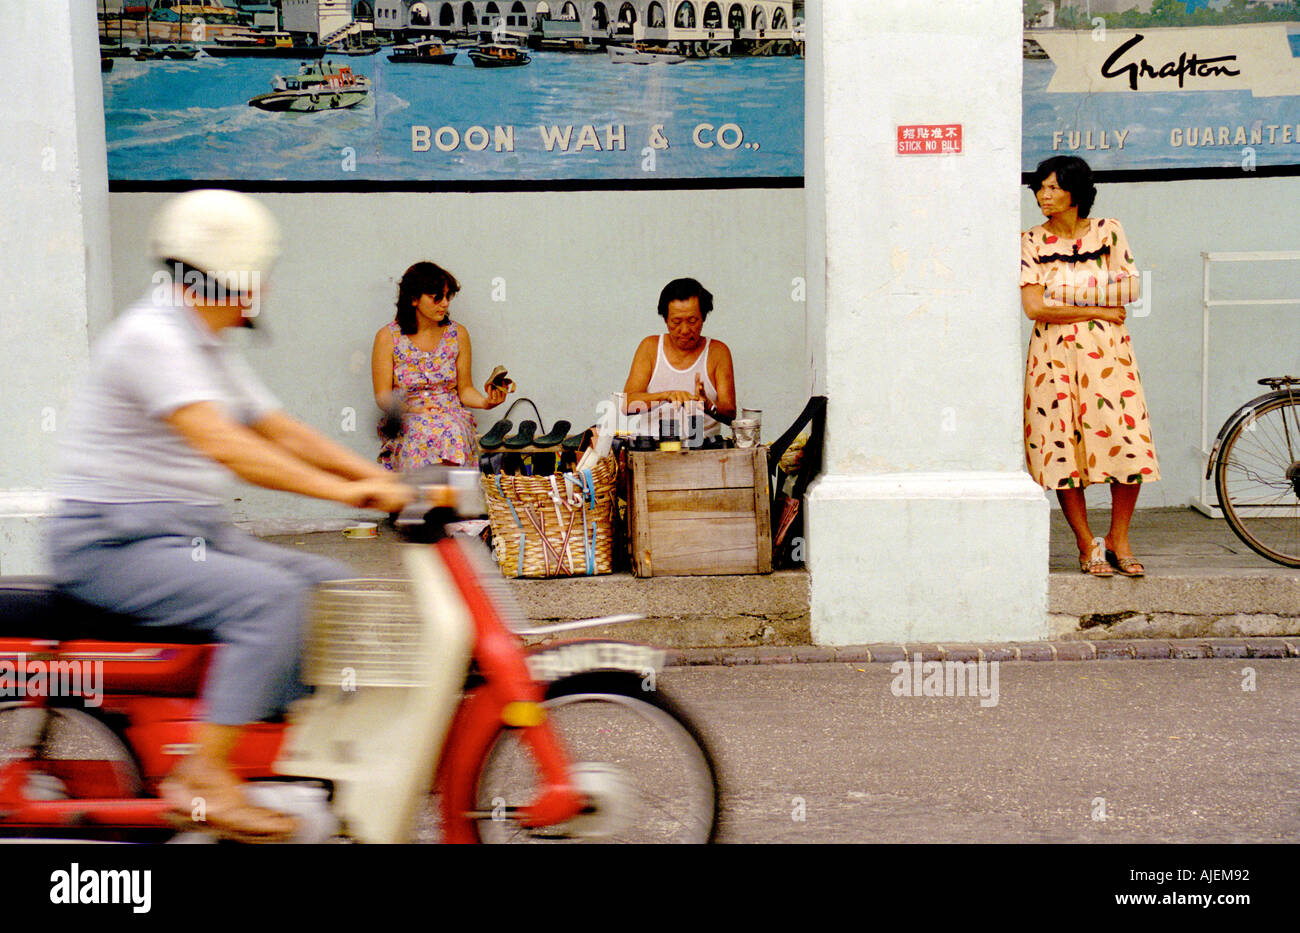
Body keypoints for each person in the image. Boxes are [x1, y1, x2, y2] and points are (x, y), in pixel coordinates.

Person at [46, 189, 415, 842]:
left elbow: (279, 429)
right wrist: (351, 494)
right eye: (254, 276)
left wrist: (381, 477)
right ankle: (203, 777)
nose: (261, 290)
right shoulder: (152, 336)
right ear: (223, 277)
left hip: (184, 533)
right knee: (269, 600)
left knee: (327, 585)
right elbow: (228, 445)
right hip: (110, 541)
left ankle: (278, 753)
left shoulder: (206, 343)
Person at [1020, 156, 1159, 577]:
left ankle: (1120, 537)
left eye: (1052, 188)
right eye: (1039, 188)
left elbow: (1132, 288)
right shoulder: (1029, 241)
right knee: (1063, 444)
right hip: (1053, 356)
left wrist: (1062, 291)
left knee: (1125, 435)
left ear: (1075, 192)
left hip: (1109, 352)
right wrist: (1097, 305)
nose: (1043, 195)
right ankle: (1085, 542)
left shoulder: (1109, 231)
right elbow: (1034, 307)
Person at [371, 261, 507, 469]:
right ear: (414, 298)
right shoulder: (387, 338)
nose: (444, 303)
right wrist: (413, 409)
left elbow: (465, 390)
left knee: (453, 431)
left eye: (447, 297)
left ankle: (451, 499)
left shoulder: (458, 334)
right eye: (437, 297)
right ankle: (421, 499)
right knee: (417, 435)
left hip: (450, 414)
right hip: (408, 414)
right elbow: (383, 396)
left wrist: (487, 402)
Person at [622, 277, 737, 438]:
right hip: (651, 448)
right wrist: (666, 395)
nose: (684, 330)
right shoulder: (650, 347)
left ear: (703, 318)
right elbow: (627, 404)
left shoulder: (718, 352)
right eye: (676, 322)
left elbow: (730, 413)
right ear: (665, 319)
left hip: (704, 448)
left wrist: (708, 405)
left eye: (692, 321)